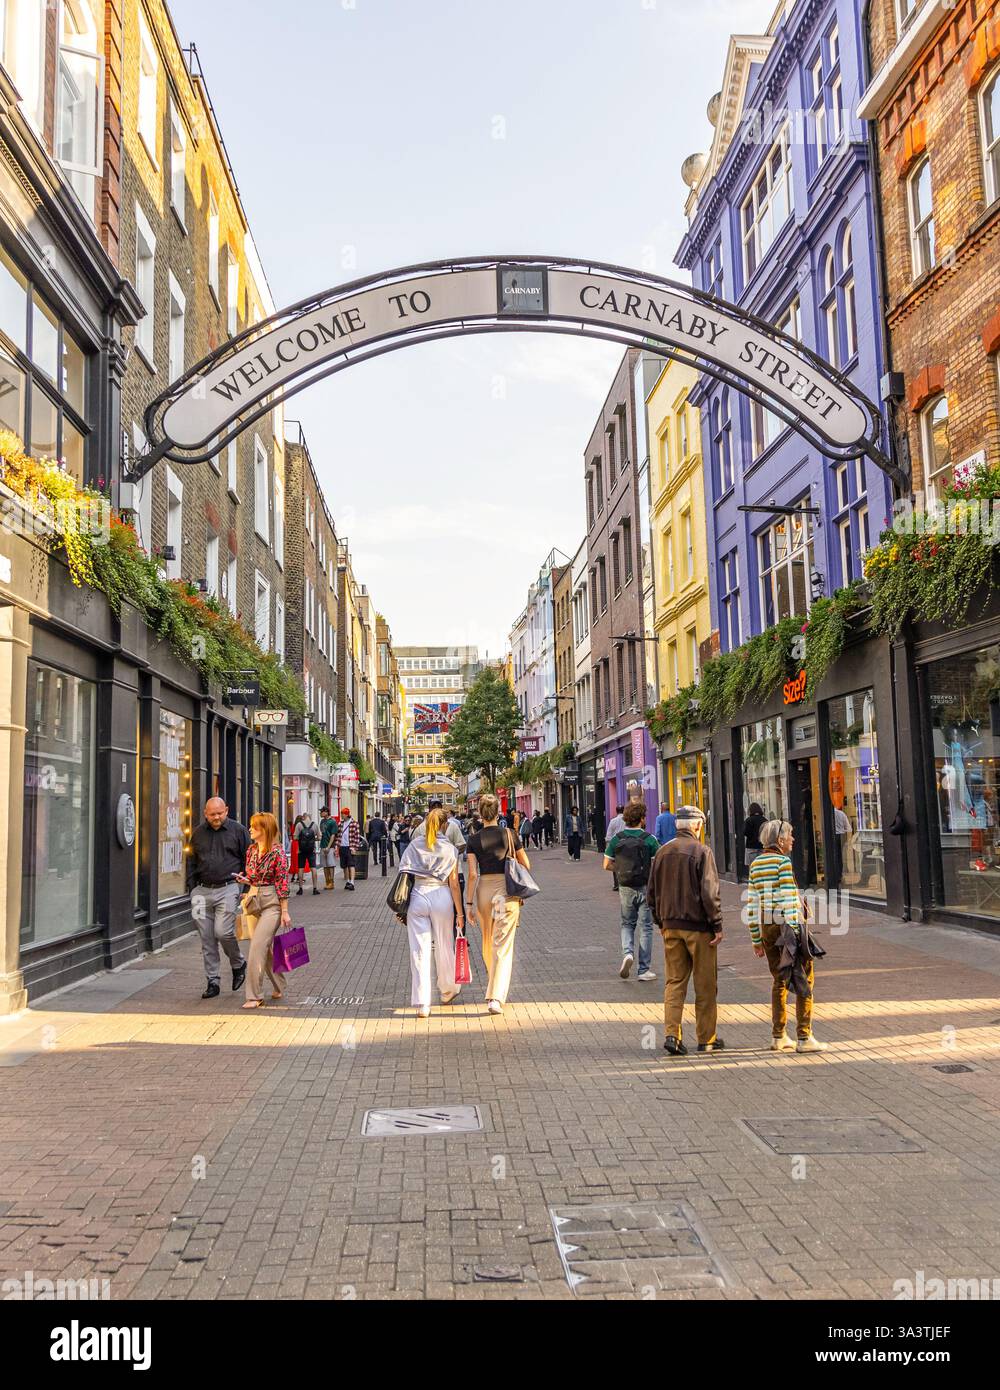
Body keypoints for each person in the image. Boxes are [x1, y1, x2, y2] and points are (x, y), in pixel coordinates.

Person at [647, 804, 724, 1055]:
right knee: (705, 984)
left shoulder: (662, 852)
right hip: (699, 928)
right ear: (697, 826)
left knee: (674, 982)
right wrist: (717, 924)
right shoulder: (702, 851)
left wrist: (660, 921)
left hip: (670, 926)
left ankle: (672, 1034)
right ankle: (706, 1038)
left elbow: (651, 893)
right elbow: (710, 893)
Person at [746, 819, 828, 1053]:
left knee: (779, 979)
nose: (793, 839)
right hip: (786, 926)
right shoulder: (782, 862)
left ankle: (778, 1035)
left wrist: (755, 938)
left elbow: (752, 904)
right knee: (804, 977)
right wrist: (796, 931)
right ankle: (804, 1036)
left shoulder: (756, 864)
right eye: (790, 835)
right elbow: (786, 899)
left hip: (767, 925)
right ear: (780, 840)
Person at [466, 793, 532, 1016]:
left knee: (488, 941)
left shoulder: (473, 840)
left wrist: (468, 905)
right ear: (497, 812)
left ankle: (494, 985)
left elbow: (473, 874)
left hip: (484, 892)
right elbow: (526, 864)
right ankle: (495, 997)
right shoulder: (510, 834)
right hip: (506, 892)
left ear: (480, 813)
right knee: (502, 944)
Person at [399, 806, 464, 1017]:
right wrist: (460, 912)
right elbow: (454, 883)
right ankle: (448, 989)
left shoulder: (415, 845)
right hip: (442, 895)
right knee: (444, 945)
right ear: (445, 825)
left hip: (418, 895)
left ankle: (423, 1002)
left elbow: (404, 873)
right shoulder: (450, 849)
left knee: (419, 949)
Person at [187, 797, 250, 999]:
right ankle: (212, 980)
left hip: (228, 888)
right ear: (205, 813)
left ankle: (238, 963)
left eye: (220, 813)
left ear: (227, 810)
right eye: (212, 814)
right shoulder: (197, 833)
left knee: (223, 932)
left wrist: (246, 887)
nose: (216, 817)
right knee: (206, 937)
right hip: (201, 892)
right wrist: (192, 887)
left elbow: (247, 859)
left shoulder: (239, 831)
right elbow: (191, 860)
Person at [238, 811, 292, 1010]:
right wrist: (246, 881)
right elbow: (253, 876)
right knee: (264, 948)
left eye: (255, 826)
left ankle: (254, 996)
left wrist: (284, 911)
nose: (250, 829)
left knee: (256, 948)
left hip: (272, 903)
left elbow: (282, 883)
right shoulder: (251, 850)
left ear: (265, 830)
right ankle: (279, 984)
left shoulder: (277, 853)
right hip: (253, 899)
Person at [604, 801, 659, 982]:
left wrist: (620, 869)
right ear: (642, 819)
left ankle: (627, 953)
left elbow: (606, 865)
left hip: (625, 886)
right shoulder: (650, 839)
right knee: (646, 927)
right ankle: (643, 970)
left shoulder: (617, 839)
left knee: (627, 924)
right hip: (645, 886)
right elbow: (657, 865)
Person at [293, 811, 322, 895]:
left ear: (303, 817)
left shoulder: (299, 825)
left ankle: (300, 889)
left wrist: (301, 839)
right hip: (311, 850)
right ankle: (315, 888)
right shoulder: (315, 825)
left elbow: (295, 837)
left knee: (301, 868)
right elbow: (320, 837)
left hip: (301, 850)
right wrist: (313, 839)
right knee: (313, 868)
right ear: (310, 817)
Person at [338, 807, 361, 890]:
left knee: (351, 864)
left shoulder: (354, 823)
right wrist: (338, 846)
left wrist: (354, 848)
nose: (341, 816)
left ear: (347, 814)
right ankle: (348, 881)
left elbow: (357, 837)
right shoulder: (340, 823)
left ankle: (352, 882)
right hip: (342, 847)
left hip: (350, 847)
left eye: (343, 814)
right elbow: (338, 835)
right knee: (344, 866)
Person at [605, 804, 626, 891]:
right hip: (626, 844)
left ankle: (616, 884)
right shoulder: (627, 820)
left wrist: (608, 846)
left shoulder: (613, 821)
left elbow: (609, 836)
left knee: (615, 864)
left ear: (616, 811)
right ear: (624, 810)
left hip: (616, 845)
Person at [319, 805, 339, 889]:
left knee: (330, 864)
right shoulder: (322, 821)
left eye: (322, 812)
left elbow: (333, 835)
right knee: (325, 865)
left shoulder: (332, 822)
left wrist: (328, 846)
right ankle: (327, 881)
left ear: (326, 812)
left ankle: (331, 882)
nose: (320, 813)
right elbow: (322, 833)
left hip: (330, 846)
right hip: (322, 845)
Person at [743, 802, 766, 869]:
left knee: (752, 867)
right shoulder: (764, 820)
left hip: (751, 846)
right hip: (762, 846)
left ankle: (753, 879)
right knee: (762, 867)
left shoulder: (748, 820)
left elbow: (745, 832)